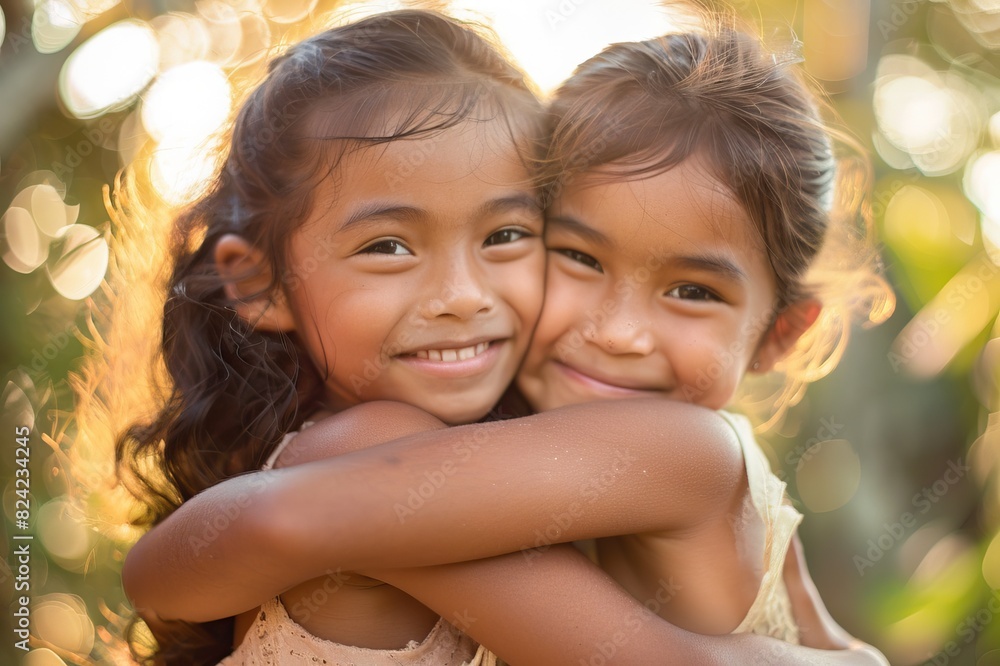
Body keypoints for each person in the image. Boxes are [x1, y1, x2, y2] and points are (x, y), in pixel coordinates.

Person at [119, 11, 892, 666]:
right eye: (580, 258)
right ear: (260, 281)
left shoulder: (686, 450)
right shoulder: (420, 449)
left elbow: (209, 553)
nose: (619, 333)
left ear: (781, 333)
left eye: (693, 291)